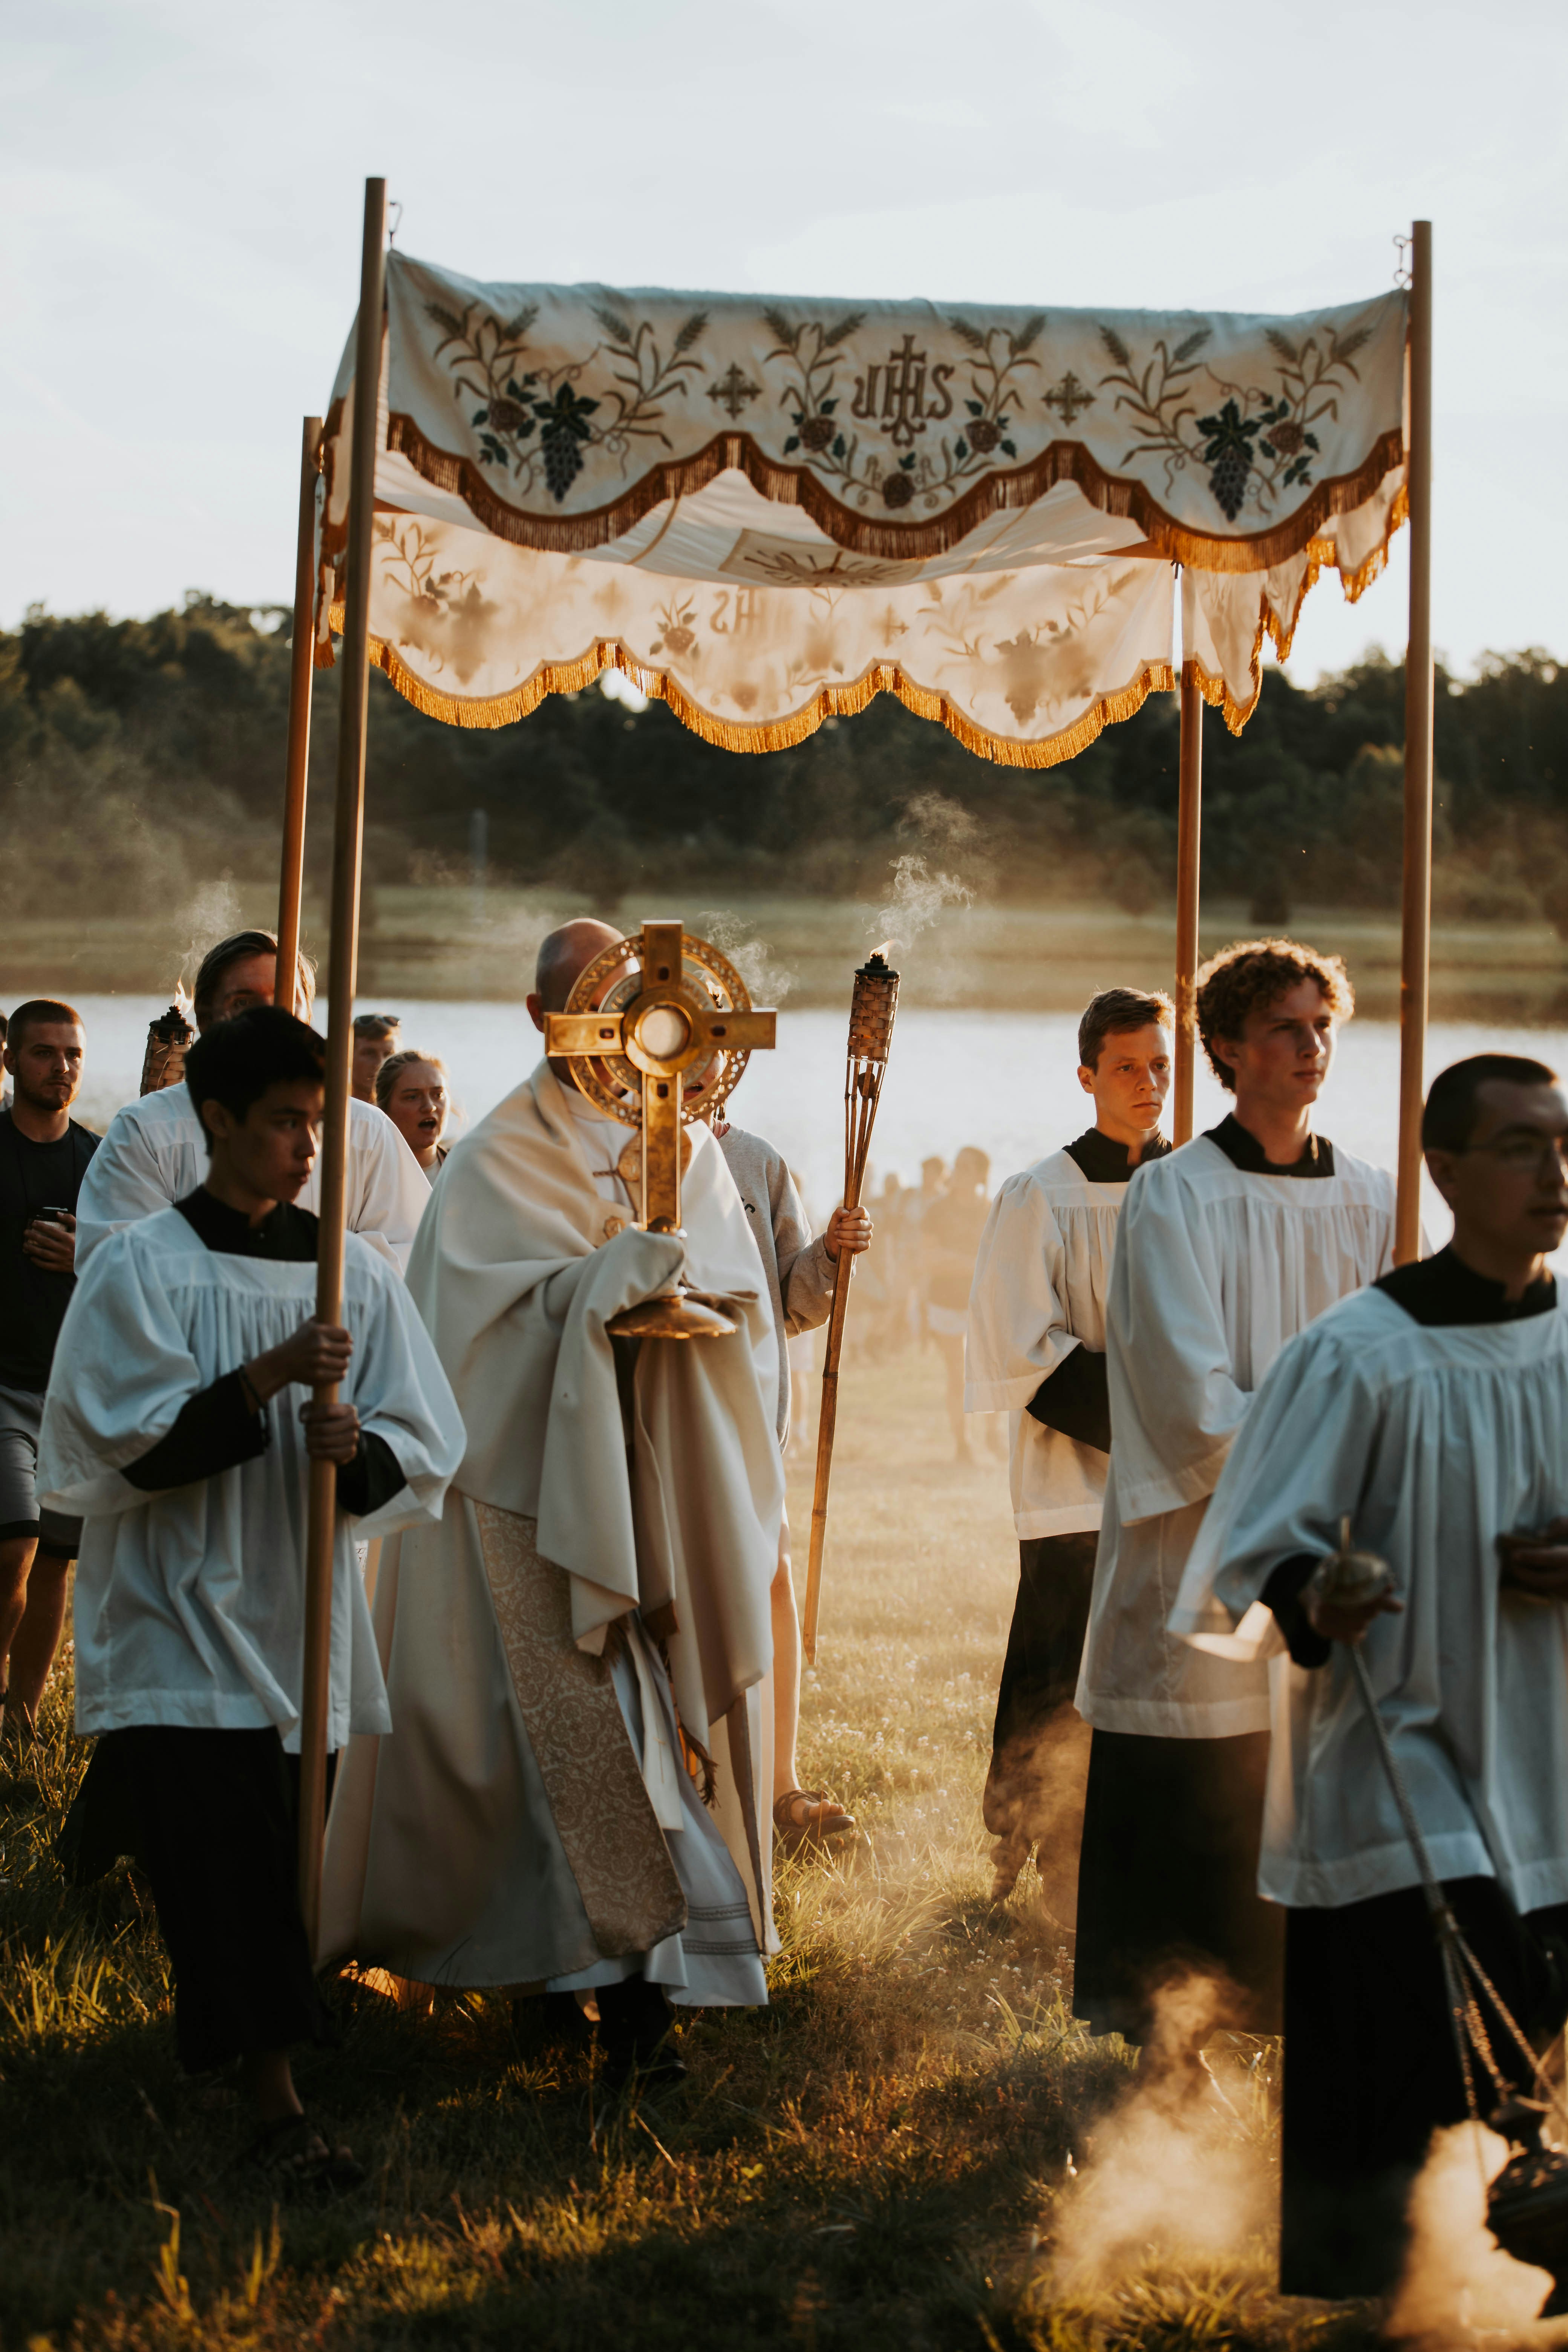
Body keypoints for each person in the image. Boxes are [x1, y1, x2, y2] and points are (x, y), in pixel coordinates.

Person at [321, 920, 784, 2090]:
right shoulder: (495, 1158)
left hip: (656, 1483)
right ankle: (620, 2007)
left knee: (628, 1741)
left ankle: (588, 1985)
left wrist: (683, 1296)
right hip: (527, 1494)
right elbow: (463, 1342)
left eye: (636, 996)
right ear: (543, 1016)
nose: (625, 1018)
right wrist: (591, 1294)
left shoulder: (689, 1142)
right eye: (597, 997)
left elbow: (744, 1303)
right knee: (573, 1747)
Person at [38, 1008, 463, 2185]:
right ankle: (279, 2110)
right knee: (219, 1850)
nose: (308, 1147)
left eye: (317, 1122)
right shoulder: (142, 1266)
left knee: (275, 1854)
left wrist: (354, 1448)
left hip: (296, 1607)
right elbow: (127, 1446)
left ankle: (235, 2038)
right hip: (176, 1607)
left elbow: (426, 1435)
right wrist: (270, 1375)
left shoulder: (348, 1272)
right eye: (283, 1121)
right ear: (216, 1120)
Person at [1171, 1053, 1568, 2300]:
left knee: (1534, 1999)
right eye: (1520, 1147)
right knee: (1433, 2004)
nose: (1555, 1173)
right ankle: (1414, 2268)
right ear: (1443, 1171)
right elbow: (1258, 1542)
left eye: (1563, 1144)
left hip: (1550, 1742)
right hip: (1402, 1736)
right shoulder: (1359, 1352)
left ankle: (1520, 2228)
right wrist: (1323, 1591)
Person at [1072, 937, 1399, 2051]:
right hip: (1202, 1550)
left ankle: (1299, 2018)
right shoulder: (1172, 1196)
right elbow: (1189, 1401)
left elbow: (1398, 1371)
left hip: (1338, 1551)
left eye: (1322, 1026)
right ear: (1224, 1045)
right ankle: (1168, 2042)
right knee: (1195, 1794)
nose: (1311, 1048)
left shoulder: (1375, 1196)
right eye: (1283, 1029)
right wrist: (1336, 1449)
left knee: (1307, 1782)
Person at [965, 988, 1173, 1915]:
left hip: (1183, 1491)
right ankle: (1059, 1870)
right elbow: (1022, 1350)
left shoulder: (1198, 1188)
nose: (1146, 1083)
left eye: (1160, 1065)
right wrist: (1155, 1424)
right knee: (1065, 1688)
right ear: (1086, 1076)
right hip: (1076, 1489)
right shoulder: (1041, 1195)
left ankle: (1155, 1863)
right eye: (1125, 1067)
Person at [708, 1100, 871, 1850]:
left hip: (748, 1406)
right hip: (648, 1407)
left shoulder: (757, 1162)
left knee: (771, 1575)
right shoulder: (614, 1146)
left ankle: (781, 1784)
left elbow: (793, 1305)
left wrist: (829, 1253)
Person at [76, 934, 429, 1273]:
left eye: (285, 1001)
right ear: (206, 1019)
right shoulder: (146, 1133)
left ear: (307, 1016)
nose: (268, 1019)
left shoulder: (367, 1133)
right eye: (244, 1003)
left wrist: (314, 1269)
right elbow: (116, 1262)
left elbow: (416, 1254)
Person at [0, 1001, 98, 1750]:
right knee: (15, 1546)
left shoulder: (101, 1161)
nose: (60, 1067)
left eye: (72, 1054)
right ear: (9, 1060)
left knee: (55, 1565)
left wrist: (83, 1254)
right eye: (43, 1053)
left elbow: (141, 1264)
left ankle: (21, 1722)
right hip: (3, 1387)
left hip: (73, 1390)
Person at [923, 1147, 993, 1463]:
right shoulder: (937, 1211)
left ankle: (991, 1434)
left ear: (980, 1174)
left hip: (983, 1304)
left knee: (988, 1372)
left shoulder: (991, 1210)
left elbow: (999, 1259)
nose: (958, 1172)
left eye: (966, 1167)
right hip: (945, 1302)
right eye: (957, 1166)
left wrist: (954, 1260)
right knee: (958, 1373)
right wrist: (975, 1263)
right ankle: (963, 1443)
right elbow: (930, 1259)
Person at [375, 1050, 450, 1179]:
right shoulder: (367, 1176)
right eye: (413, 1097)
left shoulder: (466, 1171)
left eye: (438, 1095)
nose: (429, 1107)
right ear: (384, 1109)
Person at [352, 1013, 402, 1104]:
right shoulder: (331, 1107)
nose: (381, 1063)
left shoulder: (414, 1109)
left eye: (389, 1054)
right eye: (369, 1054)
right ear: (349, 1057)